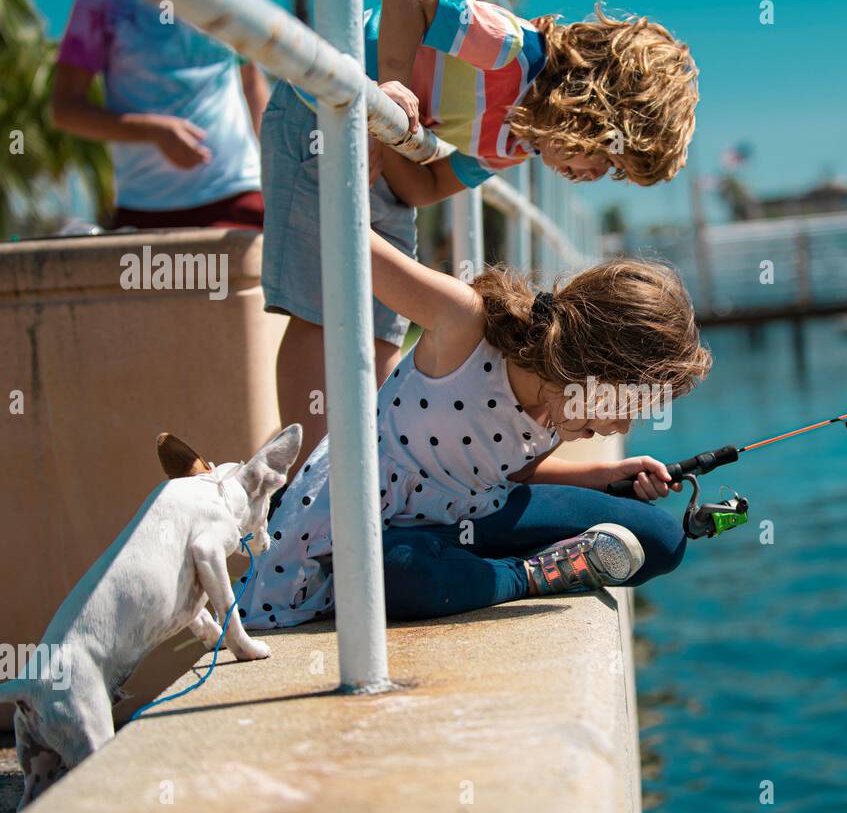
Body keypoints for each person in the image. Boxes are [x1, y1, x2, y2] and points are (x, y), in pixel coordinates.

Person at [261, 0, 699, 471]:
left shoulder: (515, 144)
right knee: (316, 309)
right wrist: (391, 88)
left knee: (386, 320)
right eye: (606, 155)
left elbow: (423, 188)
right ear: (592, 106)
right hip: (316, 110)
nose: (594, 176)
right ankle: (303, 476)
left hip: (374, 156)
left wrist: (379, 150)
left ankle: (381, 467)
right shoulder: (510, 48)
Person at [237, 249, 711, 626]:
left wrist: (605, 474)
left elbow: (515, 470)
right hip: (383, 523)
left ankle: (477, 571)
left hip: (476, 510)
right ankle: (522, 576)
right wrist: (362, 134)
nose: (621, 428)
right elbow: (345, 238)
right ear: (592, 364)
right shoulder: (462, 325)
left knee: (661, 539)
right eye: (624, 408)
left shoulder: (560, 403)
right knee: (400, 573)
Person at [50, 0, 268, 230]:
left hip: (240, 194)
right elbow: (66, 108)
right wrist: (152, 131)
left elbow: (251, 81)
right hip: (146, 209)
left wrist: (274, 171)